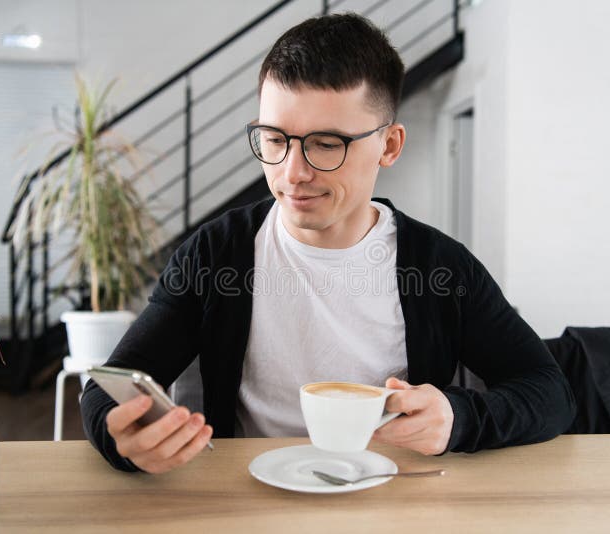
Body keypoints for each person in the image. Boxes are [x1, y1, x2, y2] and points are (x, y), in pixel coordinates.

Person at [80, 13, 576, 474]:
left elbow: (549, 391)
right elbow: (108, 389)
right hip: (250, 502)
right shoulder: (215, 255)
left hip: (393, 503)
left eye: (326, 144)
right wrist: (121, 438)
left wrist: (457, 416)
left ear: (390, 145)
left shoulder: (440, 267)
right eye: (274, 139)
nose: (293, 172)